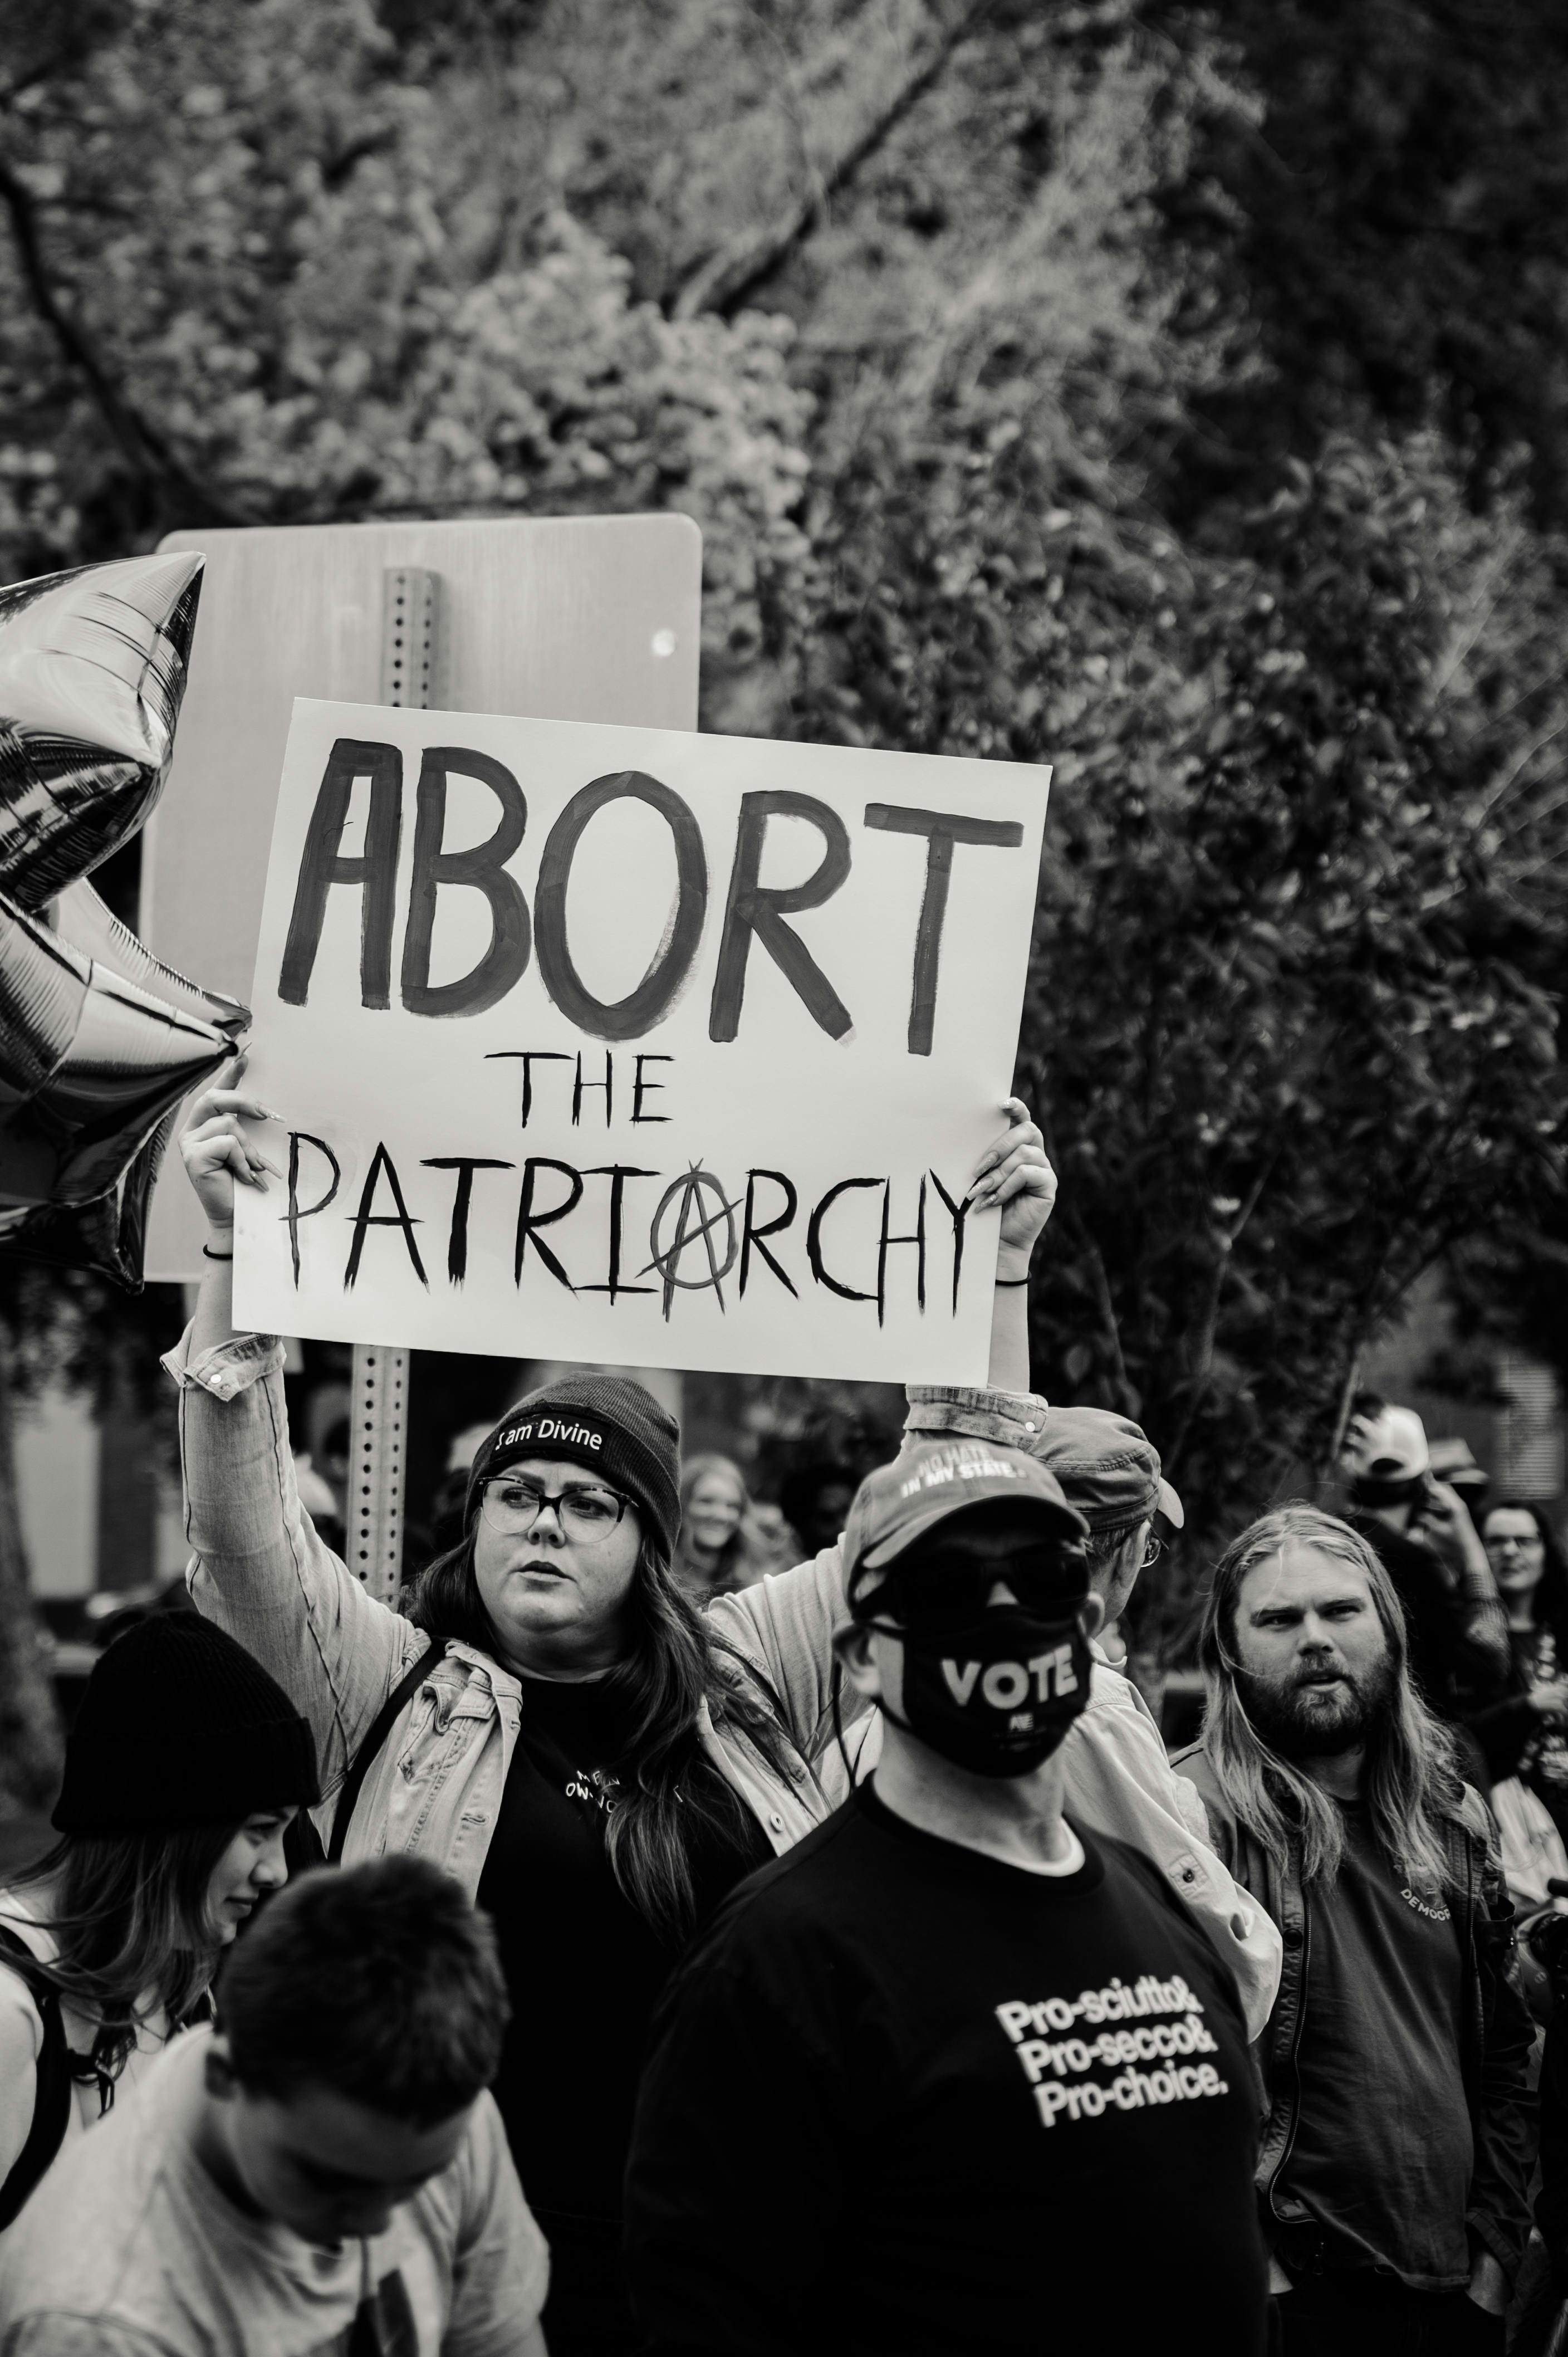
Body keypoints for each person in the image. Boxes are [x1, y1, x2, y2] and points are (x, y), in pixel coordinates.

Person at [169, 1070, 1056, 2357]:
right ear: (474, 1520)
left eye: (588, 1501)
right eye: (515, 1491)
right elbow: (244, 1541)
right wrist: (229, 1253)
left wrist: (996, 1270)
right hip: (463, 2267)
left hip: (738, 2259)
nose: (543, 1518)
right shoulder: (394, 1688)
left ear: (650, 1543)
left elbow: (948, 1511)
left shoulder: (743, 1675)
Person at [624, 1437, 1270, 2357]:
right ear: (860, 1656)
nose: (1003, 1614)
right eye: (948, 1586)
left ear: (1085, 1621)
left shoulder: (1153, 1904)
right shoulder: (775, 1966)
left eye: (1041, 1577)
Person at [1174, 1504, 1534, 2354]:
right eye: (1278, 1619)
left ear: (1389, 1630)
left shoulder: (1453, 1820)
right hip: (1293, 2298)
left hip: (1453, 2292)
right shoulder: (1190, 1818)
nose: (1315, 1639)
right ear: (1230, 1649)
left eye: (1340, 1610)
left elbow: (1505, 2056)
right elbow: (1180, 2085)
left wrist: (1494, 2259)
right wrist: (1267, 2278)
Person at [829, 1402, 1283, 2036]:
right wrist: (1186, 1812)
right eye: (1149, 1544)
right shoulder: (1084, 1702)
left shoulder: (889, 1687)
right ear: (1126, 1555)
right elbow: (1229, 1969)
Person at [0, 1855, 549, 2355]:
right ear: (226, 2078)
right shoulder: (100, 2317)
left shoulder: (426, 2103)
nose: (375, 2223)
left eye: (415, 2181)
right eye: (328, 2178)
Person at [0, 1613, 318, 2234]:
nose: (278, 1871)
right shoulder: (11, 2011)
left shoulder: (179, 1985)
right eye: (260, 1830)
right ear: (168, 1821)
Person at [1340, 1396, 1509, 1728]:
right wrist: (1471, 1548)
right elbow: (1490, 1662)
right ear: (1426, 1483)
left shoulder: (1331, 1539)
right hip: (1408, 1738)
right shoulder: (1413, 1563)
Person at [669, 1454, 790, 1604]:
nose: (721, 1515)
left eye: (732, 1506)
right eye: (706, 1501)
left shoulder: (760, 1577)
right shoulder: (659, 1572)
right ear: (682, 1504)